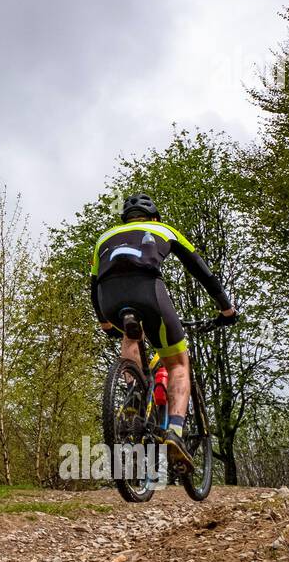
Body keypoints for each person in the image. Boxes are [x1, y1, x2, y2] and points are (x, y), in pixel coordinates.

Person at [90, 193, 236, 467]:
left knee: (130, 334)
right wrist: (226, 309)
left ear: (125, 220)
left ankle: (133, 393)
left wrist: (104, 321)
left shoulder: (104, 238)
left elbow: (93, 284)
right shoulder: (164, 229)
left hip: (109, 300)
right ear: (154, 217)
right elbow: (201, 271)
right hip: (148, 293)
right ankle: (175, 433)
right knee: (179, 364)